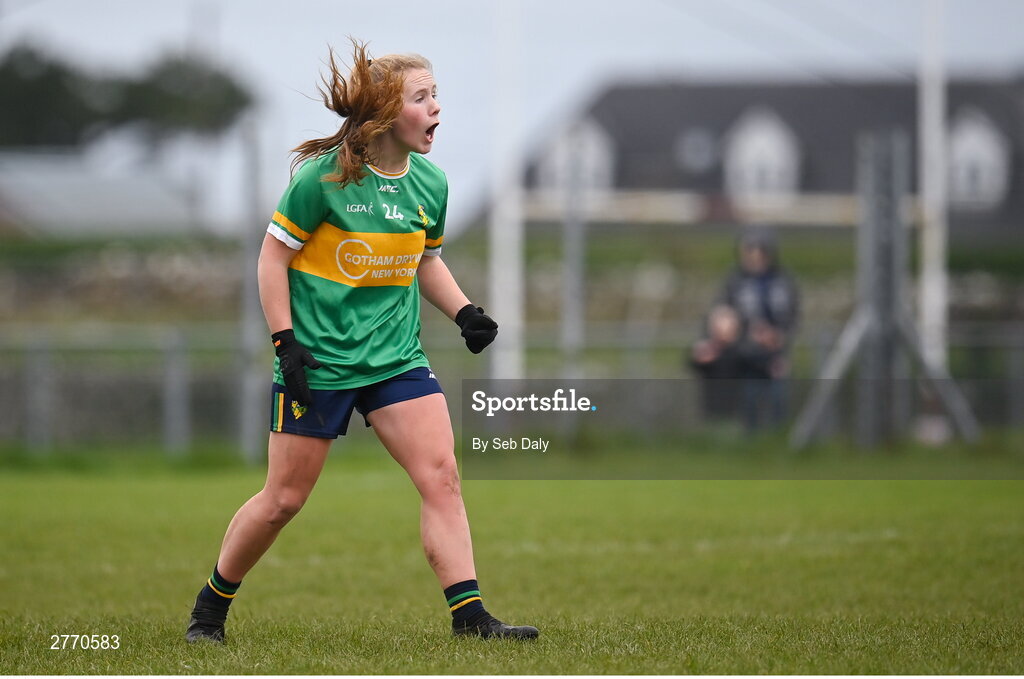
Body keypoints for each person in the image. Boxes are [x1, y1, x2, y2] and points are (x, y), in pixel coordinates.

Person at [185, 42, 538, 643]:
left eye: (437, 96)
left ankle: (471, 618)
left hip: (397, 359)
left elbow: (425, 261)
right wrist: (285, 344)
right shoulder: (321, 179)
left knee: (442, 477)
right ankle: (209, 610)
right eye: (422, 98)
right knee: (284, 500)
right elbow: (272, 260)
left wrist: (464, 311)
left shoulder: (431, 183)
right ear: (382, 111)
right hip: (319, 361)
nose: (437, 109)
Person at [717, 227, 800, 430]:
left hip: (776, 353)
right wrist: (747, 332)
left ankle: (776, 444)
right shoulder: (735, 281)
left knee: (778, 401)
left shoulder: (782, 281)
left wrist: (779, 337)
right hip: (747, 355)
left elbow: (793, 315)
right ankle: (751, 446)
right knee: (750, 400)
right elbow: (724, 314)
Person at [688, 304, 771, 420]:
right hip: (713, 405)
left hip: (739, 407)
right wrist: (699, 358)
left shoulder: (742, 349)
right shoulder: (708, 348)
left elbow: (762, 366)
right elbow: (694, 365)